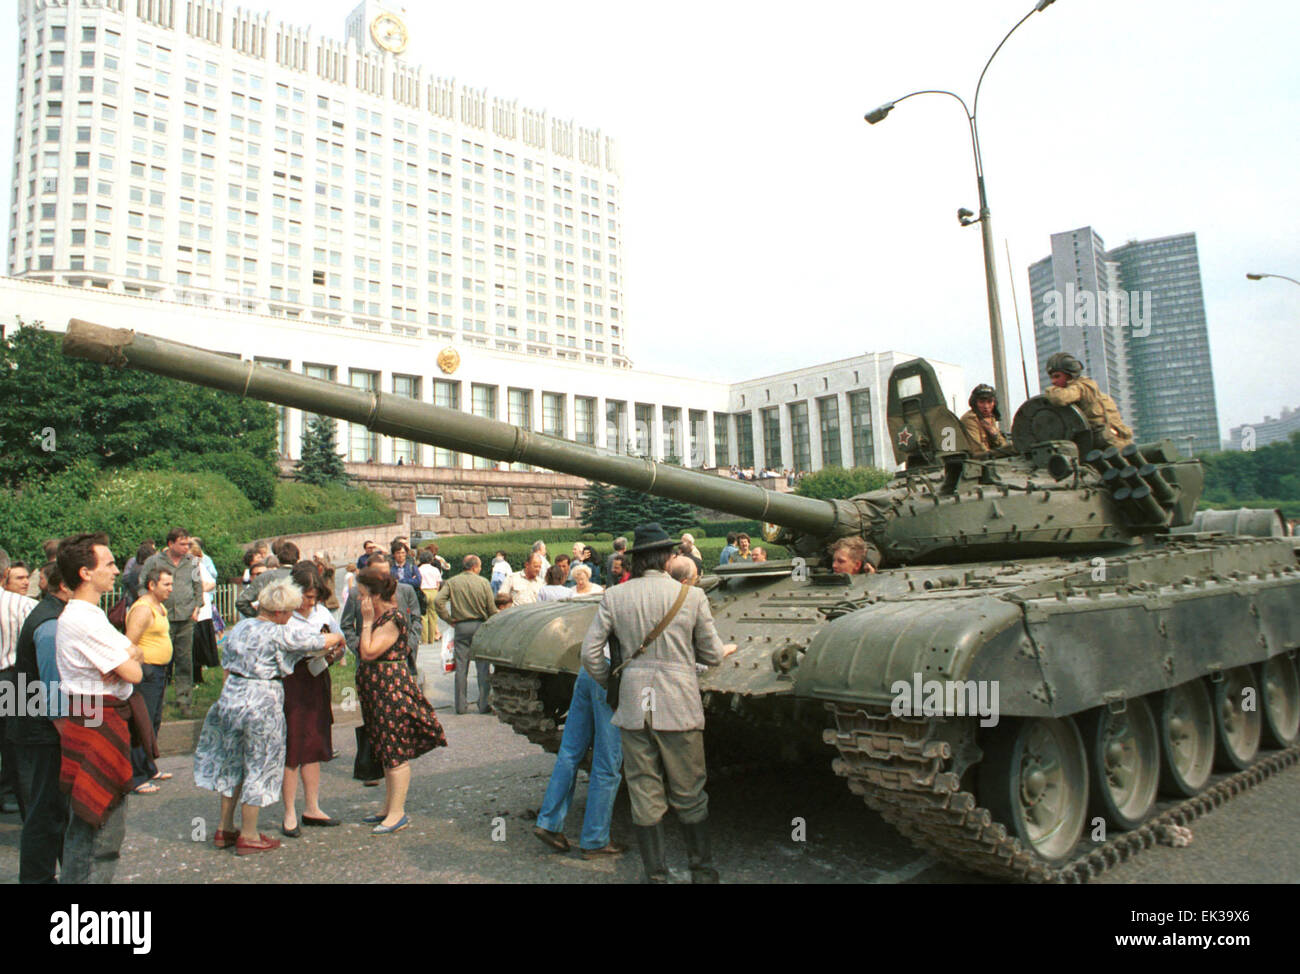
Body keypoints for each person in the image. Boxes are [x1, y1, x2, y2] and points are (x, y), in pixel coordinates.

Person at [582, 523, 738, 883]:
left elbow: (590, 654)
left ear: (638, 559)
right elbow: (712, 655)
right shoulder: (691, 596)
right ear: (668, 558)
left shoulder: (615, 596)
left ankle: (657, 876)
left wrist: (614, 681)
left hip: (634, 706)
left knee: (644, 792)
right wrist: (725, 650)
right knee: (689, 792)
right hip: (678, 704)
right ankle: (702, 871)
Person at [194, 577, 342, 855]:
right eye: (289, 612)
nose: (291, 617)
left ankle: (224, 827)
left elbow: (226, 664)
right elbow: (318, 640)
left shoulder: (240, 627)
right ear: (278, 612)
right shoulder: (277, 631)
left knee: (231, 762)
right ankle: (249, 834)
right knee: (259, 764)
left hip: (231, 696)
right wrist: (336, 637)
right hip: (261, 699)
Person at [54, 533, 151, 884]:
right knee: (101, 834)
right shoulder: (86, 619)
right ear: (85, 572)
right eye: (108, 563)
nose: (115, 569)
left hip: (92, 717)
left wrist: (128, 655)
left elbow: (131, 656)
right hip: (98, 722)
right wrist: (129, 656)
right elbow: (135, 670)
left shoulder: (85, 615)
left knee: (86, 831)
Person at [533, 570, 626, 860]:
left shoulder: (614, 594)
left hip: (588, 670)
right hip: (611, 676)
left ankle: (549, 822)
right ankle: (595, 839)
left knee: (570, 751)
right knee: (608, 762)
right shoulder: (654, 595)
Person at [354, 567, 448, 833]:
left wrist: (365, 622)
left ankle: (397, 813)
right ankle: (388, 808)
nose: (360, 601)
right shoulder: (382, 617)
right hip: (377, 690)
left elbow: (369, 652)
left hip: (390, 690)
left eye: (363, 595)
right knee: (385, 749)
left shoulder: (392, 619)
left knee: (394, 749)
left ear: (374, 595)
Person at [12, 561, 72, 883]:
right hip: (42, 728)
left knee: (50, 809)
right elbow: (52, 689)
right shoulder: (50, 623)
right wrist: (68, 732)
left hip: (31, 718)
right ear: (65, 586)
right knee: (44, 811)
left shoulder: (50, 615)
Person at [280, 564, 345, 837]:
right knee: (293, 745)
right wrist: (323, 641)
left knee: (315, 742)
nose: (310, 602)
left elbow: (340, 642)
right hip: (293, 682)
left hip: (318, 678)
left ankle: (312, 806)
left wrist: (334, 654)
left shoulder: (321, 612)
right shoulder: (284, 616)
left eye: (314, 597)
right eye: (306, 597)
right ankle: (289, 813)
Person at [141, 527, 203, 716]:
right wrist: (149, 606)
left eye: (188, 544)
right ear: (170, 543)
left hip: (185, 617)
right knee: (160, 660)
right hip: (162, 617)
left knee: (184, 660)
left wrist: (197, 606)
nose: (186, 547)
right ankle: (156, 698)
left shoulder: (192, 562)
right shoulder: (154, 561)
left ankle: (184, 700)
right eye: (182, 544)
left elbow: (197, 584)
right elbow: (142, 584)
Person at [124, 564, 173, 795]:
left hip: (159, 671)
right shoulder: (143, 609)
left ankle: (149, 767)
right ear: (152, 585)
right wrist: (142, 667)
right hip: (146, 673)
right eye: (166, 584)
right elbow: (129, 643)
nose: (171, 589)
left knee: (153, 721)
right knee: (140, 723)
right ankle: (136, 775)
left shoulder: (159, 606)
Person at [434, 555, 498, 715]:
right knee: (483, 668)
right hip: (480, 626)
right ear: (475, 567)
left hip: (461, 626)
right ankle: (483, 704)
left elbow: (438, 601)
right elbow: (491, 608)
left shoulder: (453, 582)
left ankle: (461, 706)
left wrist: (448, 619)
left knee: (461, 668)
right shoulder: (483, 582)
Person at [1, 548, 38, 816]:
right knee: (21, 746)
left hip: (12, 678)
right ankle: (29, 811)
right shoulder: (23, 605)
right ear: (5, 574)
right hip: (14, 679)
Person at [1043, 352, 1133, 448]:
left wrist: (1049, 390)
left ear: (1069, 375)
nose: (1053, 382)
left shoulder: (1083, 387)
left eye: (1057, 376)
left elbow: (1059, 398)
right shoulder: (1097, 394)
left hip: (1110, 444)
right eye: (1051, 378)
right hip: (1112, 443)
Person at [190, 537, 218, 687]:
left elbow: (211, 583)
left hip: (203, 610)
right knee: (195, 647)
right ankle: (194, 677)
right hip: (197, 611)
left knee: (200, 647)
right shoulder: (193, 566)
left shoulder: (196, 566)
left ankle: (198, 676)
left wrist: (201, 588)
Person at [960, 384, 1010, 456]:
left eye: (989, 402)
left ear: (994, 403)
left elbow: (1003, 445)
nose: (986, 406)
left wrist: (995, 436)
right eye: (981, 402)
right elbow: (978, 450)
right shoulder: (970, 419)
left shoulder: (990, 418)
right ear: (975, 403)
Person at [417, 549, 443, 645]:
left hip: (423, 591)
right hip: (433, 591)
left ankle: (424, 639)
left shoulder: (419, 569)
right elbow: (438, 583)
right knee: (433, 615)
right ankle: (431, 638)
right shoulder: (435, 569)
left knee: (424, 616)